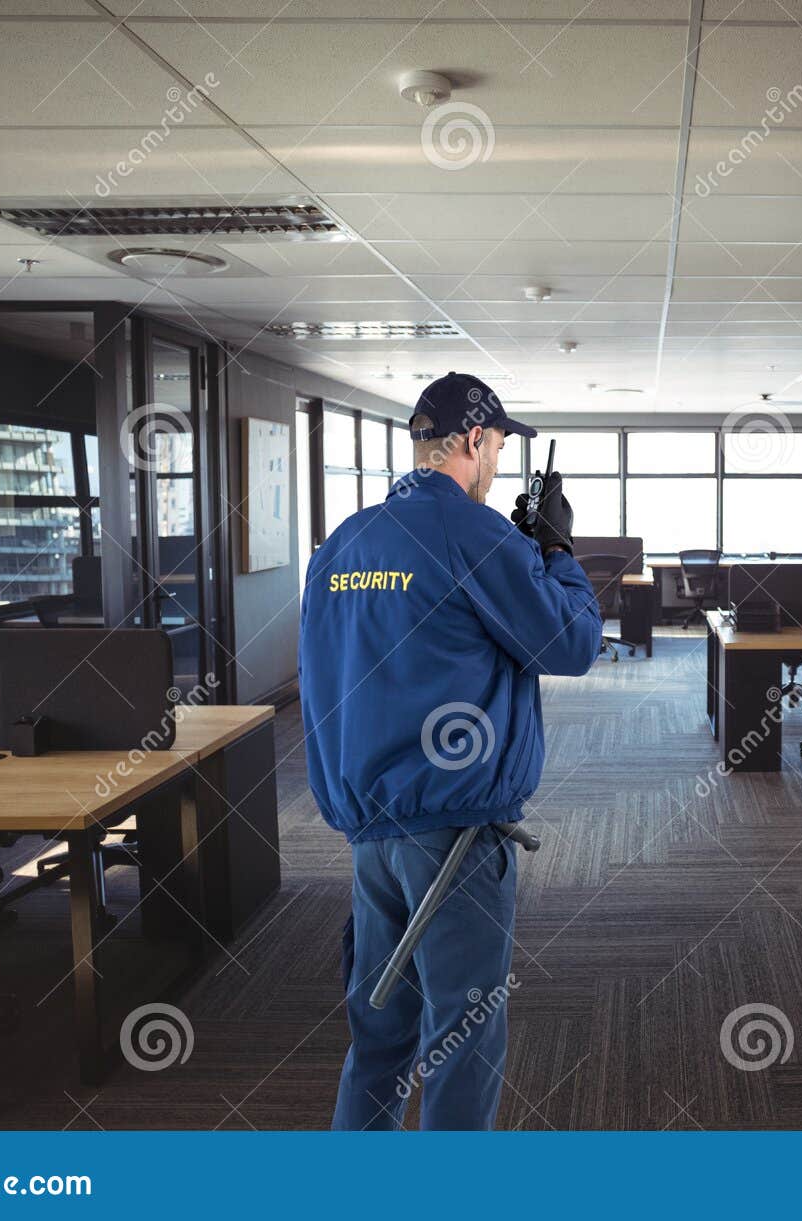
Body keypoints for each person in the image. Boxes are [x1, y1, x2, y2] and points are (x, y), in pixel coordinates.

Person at [299, 371, 602, 1130]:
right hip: (457, 835)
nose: (496, 463)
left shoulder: (343, 542)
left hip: (370, 833)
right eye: (496, 445)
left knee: (379, 1035)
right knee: (460, 1041)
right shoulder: (472, 531)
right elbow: (570, 642)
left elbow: (325, 679)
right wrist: (556, 549)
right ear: (473, 440)